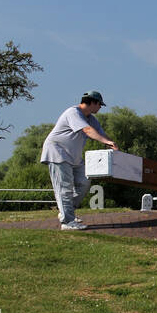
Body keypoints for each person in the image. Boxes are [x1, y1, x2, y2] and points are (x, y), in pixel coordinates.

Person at [39, 91, 118, 230]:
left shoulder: (92, 119)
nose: (100, 108)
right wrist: (106, 141)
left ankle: (67, 211)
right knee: (64, 188)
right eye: (100, 105)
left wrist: (110, 143)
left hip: (73, 157)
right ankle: (67, 222)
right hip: (57, 152)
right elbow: (87, 130)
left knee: (85, 180)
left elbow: (100, 133)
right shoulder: (73, 112)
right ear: (93, 102)